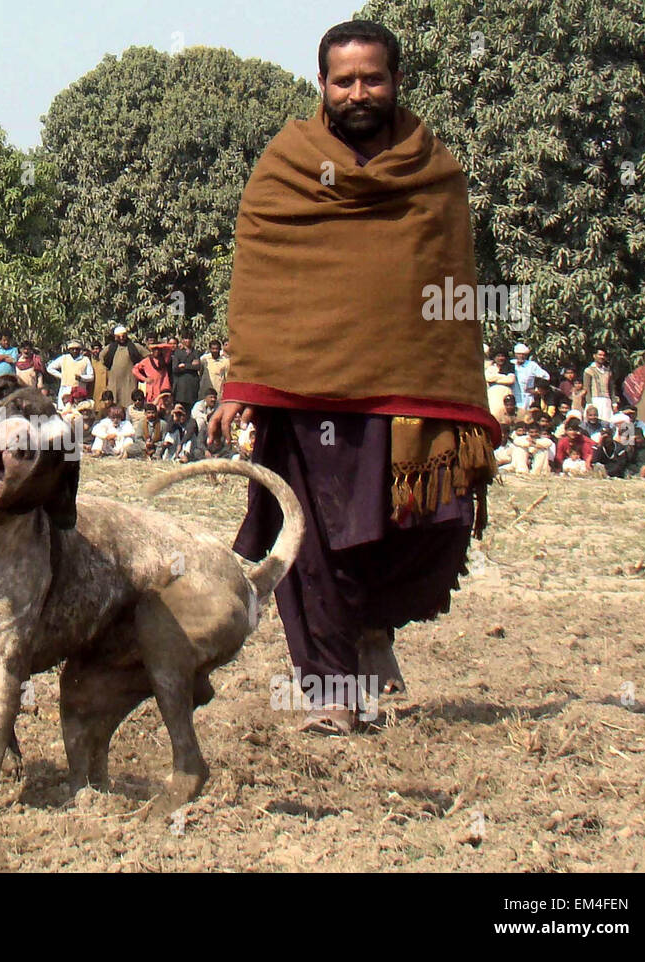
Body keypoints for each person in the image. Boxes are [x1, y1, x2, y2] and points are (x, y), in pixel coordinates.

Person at [208, 19, 499, 735]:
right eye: (345, 80)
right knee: (315, 542)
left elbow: (452, 282)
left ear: (396, 80)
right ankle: (330, 691)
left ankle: (374, 629)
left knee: (431, 527)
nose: (359, 92)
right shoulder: (287, 166)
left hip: (413, 388)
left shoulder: (435, 170)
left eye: (373, 78)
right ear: (323, 85)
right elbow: (260, 279)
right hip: (307, 392)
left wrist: (462, 391)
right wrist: (245, 381)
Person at [101, 326, 150, 408]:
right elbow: (101, 356)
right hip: (114, 381)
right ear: (115, 337)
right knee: (114, 402)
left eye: (123, 336)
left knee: (129, 402)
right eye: (119, 336)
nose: (121, 338)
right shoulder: (111, 347)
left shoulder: (134, 346)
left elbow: (148, 356)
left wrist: (140, 367)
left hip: (129, 380)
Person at [46, 340, 94, 406]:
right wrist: (62, 376)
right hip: (66, 389)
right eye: (72, 349)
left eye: (77, 349)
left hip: (79, 391)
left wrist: (81, 378)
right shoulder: (64, 358)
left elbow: (91, 376)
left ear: (80, 350)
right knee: (64, 411)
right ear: (69, 350)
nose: (75, 351)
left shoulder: (85, 360)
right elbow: (50, 368)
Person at [511, 343, 548, 411]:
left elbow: (546, 376)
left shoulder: (531, 365)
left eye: (523, 354)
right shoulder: (511, 364)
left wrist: (537, 390)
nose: (521, 356)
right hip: (513, 398)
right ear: (515, 354)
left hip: (527, 399)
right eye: (519, 354)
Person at [170, 334, 202, 409]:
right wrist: (191, 365)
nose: (187, 341)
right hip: (181, 386)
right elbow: (175, 368)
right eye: (185, 338)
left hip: (192, 385)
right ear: (182, 340)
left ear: (192, 340)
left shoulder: (196, 352)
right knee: (180, 408)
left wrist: (184, 365)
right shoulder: (178, 352)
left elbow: (197, 367)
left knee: (192, 408)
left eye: (189, 339)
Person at [582, 347, 614, 418]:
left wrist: (614, 403)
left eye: (603, 355)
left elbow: (611, 389)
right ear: (594, 356)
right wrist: (589, 403)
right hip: (594, 400)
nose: (602, 357)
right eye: (600, 355)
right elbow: (586, 387)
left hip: (606, 401)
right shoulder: (589, 370)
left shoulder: (608, 372)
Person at [484, 348, 516, 417]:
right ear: (494, 358)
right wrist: (503, 377)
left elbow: (510, 380)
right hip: (493, 395)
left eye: (502, 356)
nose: (500, 358)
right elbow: (488, 378)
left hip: (505, 393)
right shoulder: (490, 368)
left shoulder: (510, 367)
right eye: (498, 356)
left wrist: (495, 378)